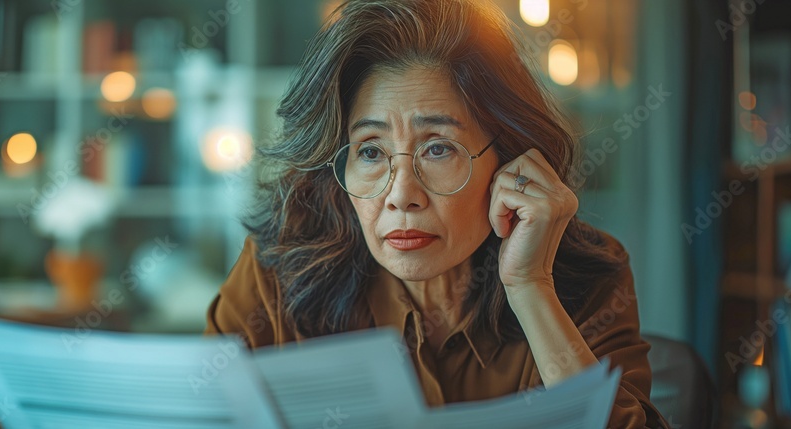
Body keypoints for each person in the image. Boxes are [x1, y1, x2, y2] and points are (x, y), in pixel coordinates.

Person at [204, 0, 669, 427]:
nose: (402, 195)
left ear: (508, 161)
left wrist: (530, 287)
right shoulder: (277, 275)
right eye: (370, 152)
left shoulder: (587, 280)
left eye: (438, 148)